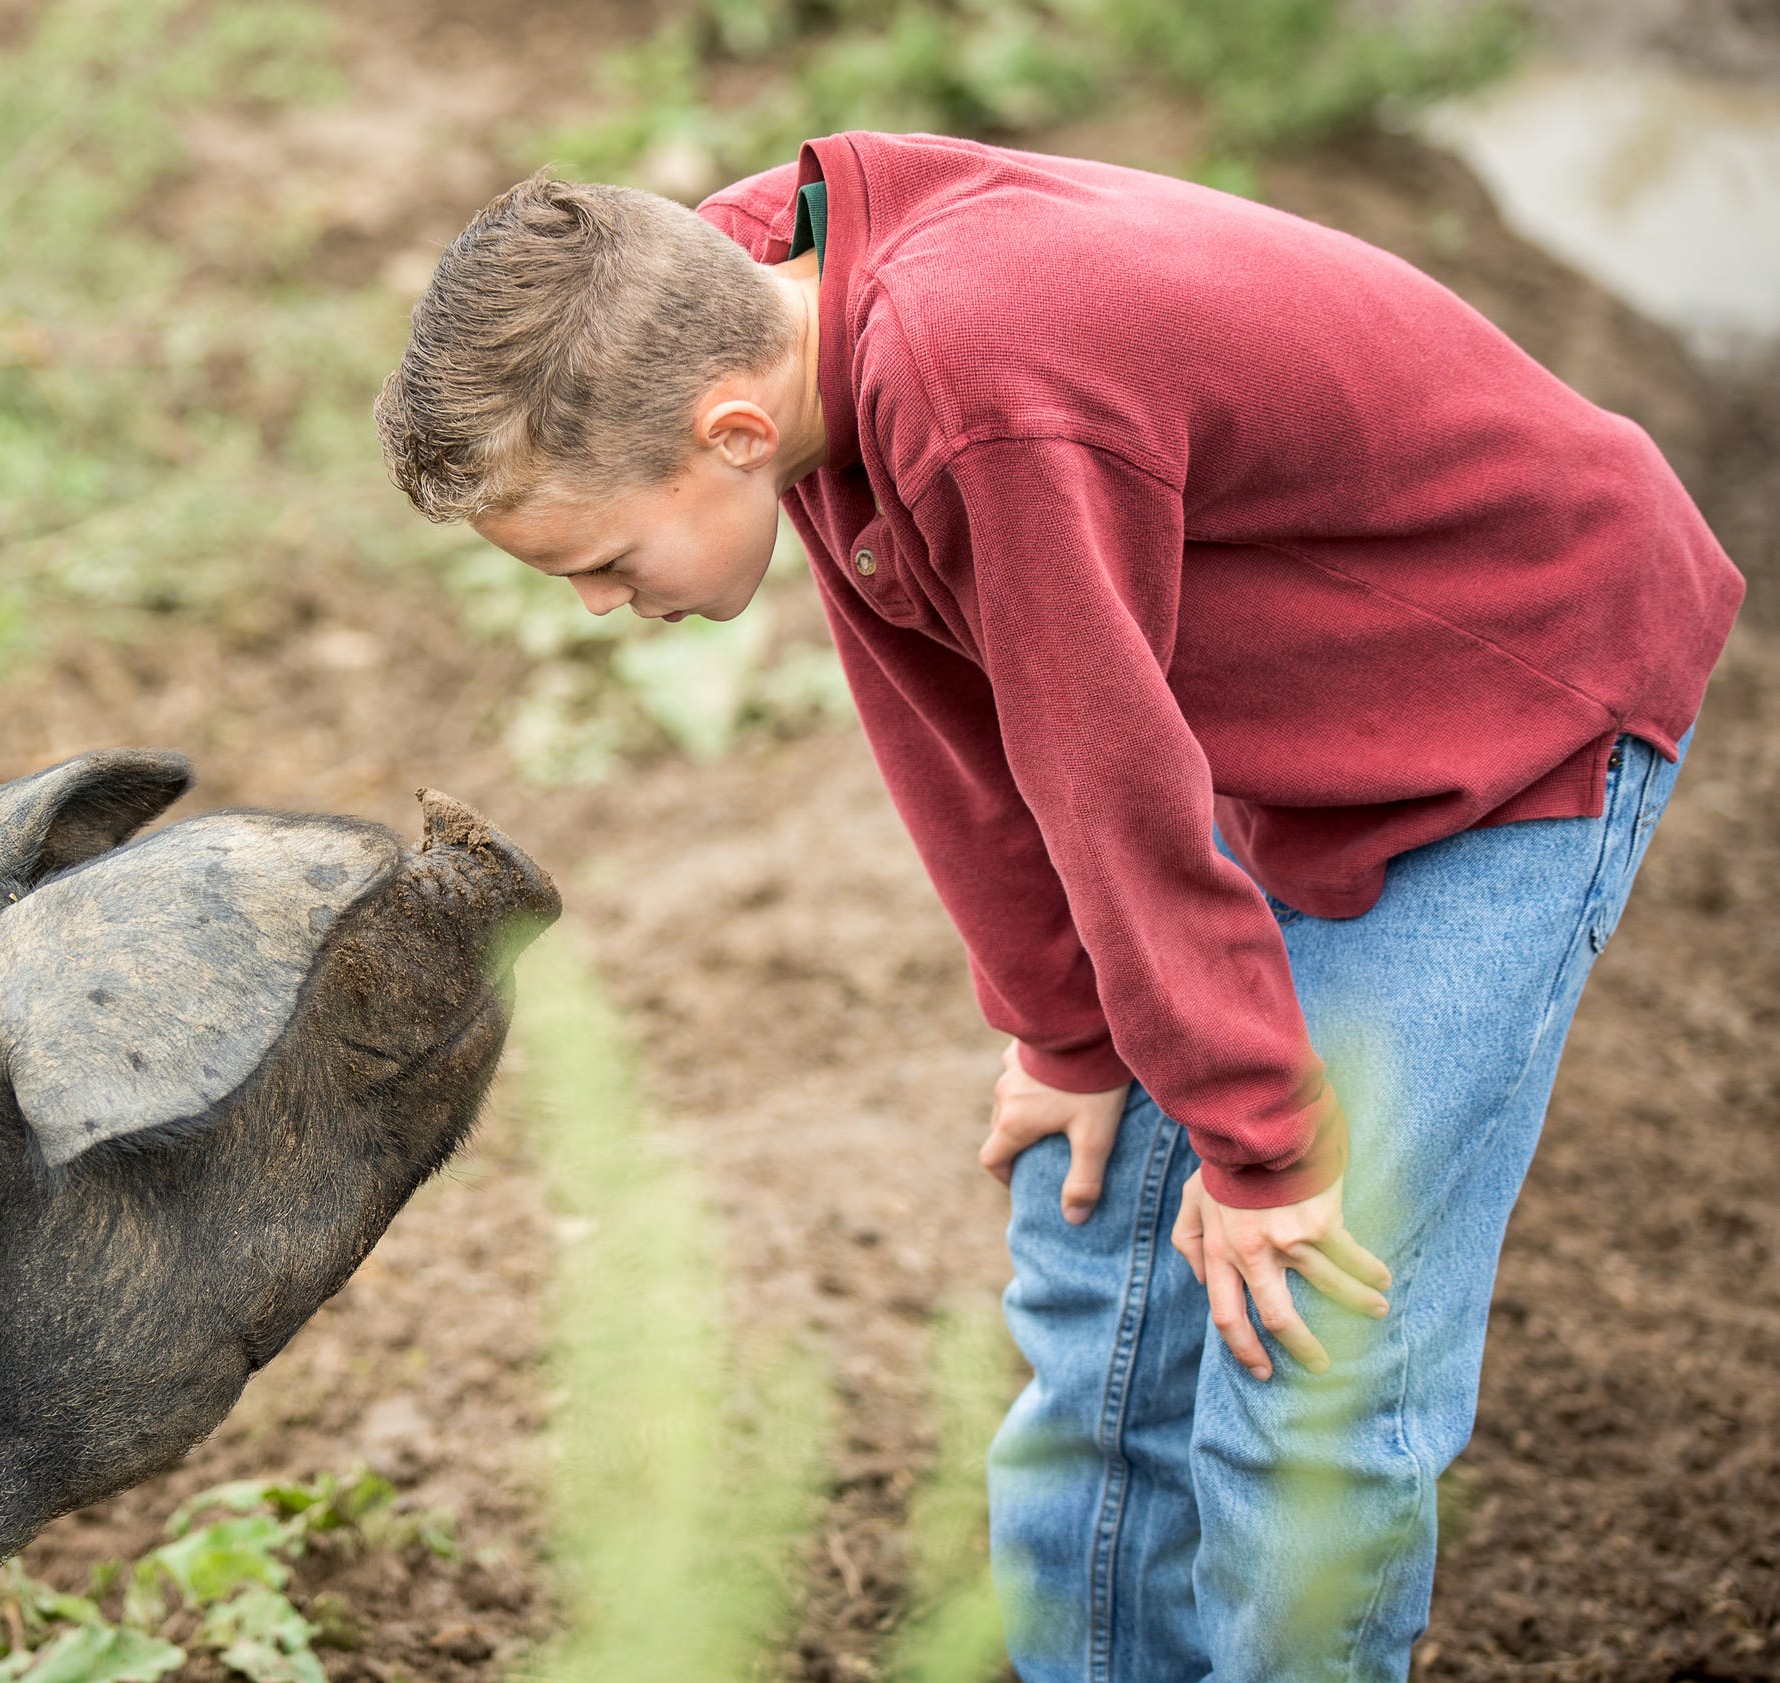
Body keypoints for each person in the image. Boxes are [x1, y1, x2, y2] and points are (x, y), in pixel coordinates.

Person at [373, 133, 1741, 1680]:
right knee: (1091, 1259)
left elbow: (1110, 784)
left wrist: (1264, 1140)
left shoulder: (973, 385)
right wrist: (1069, 1034)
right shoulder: (753, 299)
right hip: (1269, 711)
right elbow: (962, 724)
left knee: (1301, 1352)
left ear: (733, 429)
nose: (602, 608)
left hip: (1512, 703)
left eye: (606, 562)